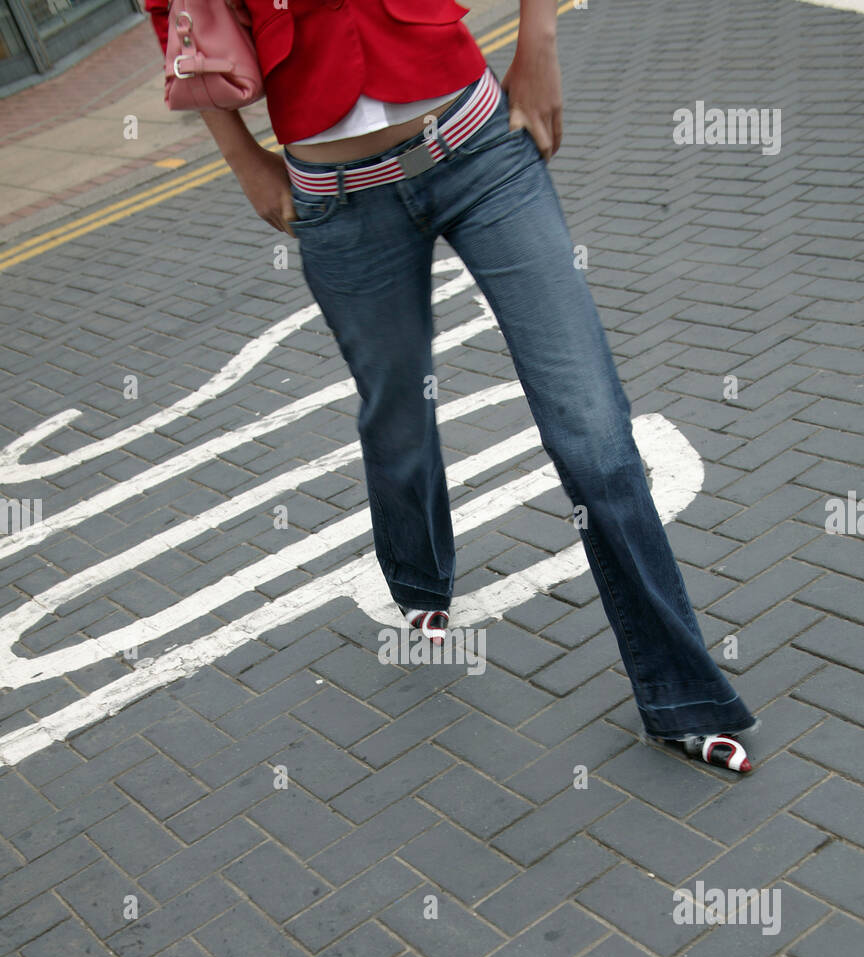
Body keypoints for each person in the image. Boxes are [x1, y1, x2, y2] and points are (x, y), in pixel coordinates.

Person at [145, 0, 758, 774]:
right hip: (335, 199)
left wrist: (538, 44)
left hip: (480, 153)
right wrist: (244, 161)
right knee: (396, 408)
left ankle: (682, 697)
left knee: (593, 431)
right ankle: (417, 577)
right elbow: (173, 11)